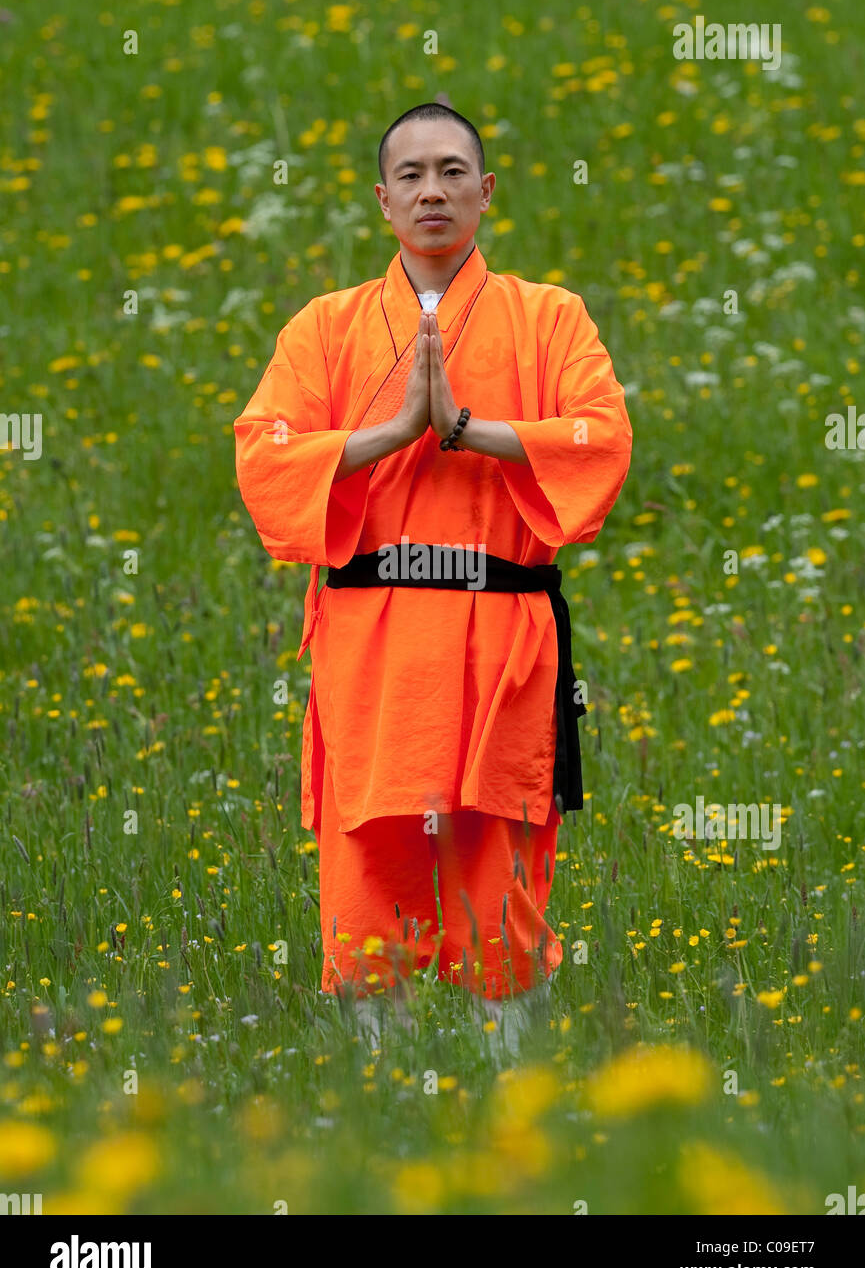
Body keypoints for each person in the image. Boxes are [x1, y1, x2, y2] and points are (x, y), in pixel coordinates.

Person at [233, 102, 632, 1045]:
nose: (432, 191)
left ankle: (514, 1100)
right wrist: (393, 433)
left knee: (497, 863)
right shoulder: (324, 328)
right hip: (371, 645)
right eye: (410, 175)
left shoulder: (548, 318)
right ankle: (383, 1114)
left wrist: (465, 431)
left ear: (485, 193)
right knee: (368, 864)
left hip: (499, 638)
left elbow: (600, 436)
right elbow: (264, 454)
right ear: (382, 200)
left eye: (453, 172)